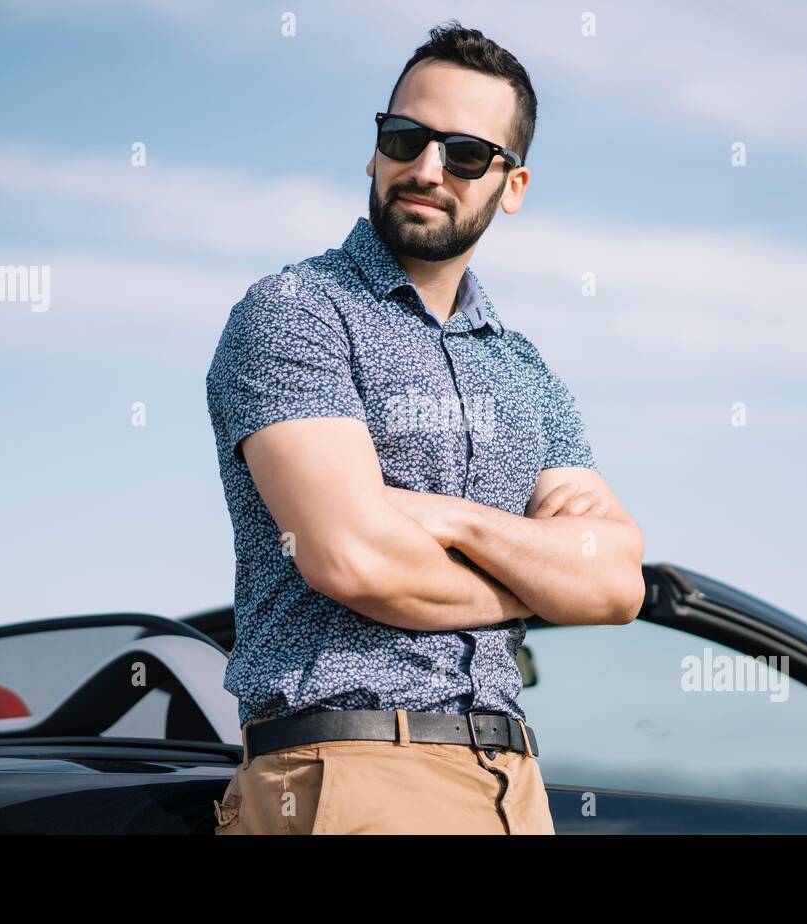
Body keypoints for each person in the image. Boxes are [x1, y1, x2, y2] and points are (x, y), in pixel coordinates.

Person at [204, 20, 645, 835]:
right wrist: (540, 580)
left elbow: (616, 583)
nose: (427, 168)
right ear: (375, 149)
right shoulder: (296, 314)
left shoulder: (525, 371)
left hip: (515, 785)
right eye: (405, 137)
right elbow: (355, 558)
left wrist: (448, 519)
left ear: (512, 184)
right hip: (351, 772)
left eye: (466, 154)